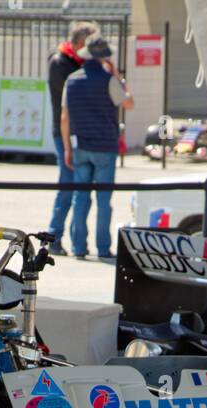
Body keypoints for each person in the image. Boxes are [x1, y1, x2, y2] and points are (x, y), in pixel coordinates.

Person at [61, 36, 134, 262]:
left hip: (80, 145)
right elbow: (128, 103)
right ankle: (103, 247)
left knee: (80, 199)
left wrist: (67, 149)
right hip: (105, 147)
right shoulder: (108, 80)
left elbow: (64, 117)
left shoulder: (72, 80)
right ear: (104, 57)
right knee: (104, 201)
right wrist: (118, 77)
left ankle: (78, 246)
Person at [46, 21, 98, 254]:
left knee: (82, 190)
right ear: (79, 44)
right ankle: (53, 236)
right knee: (68, 185)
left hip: (83, 133)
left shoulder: (79, 63)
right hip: (65, 133)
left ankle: (77, 241)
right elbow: (72, 101)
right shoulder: (60, 63)